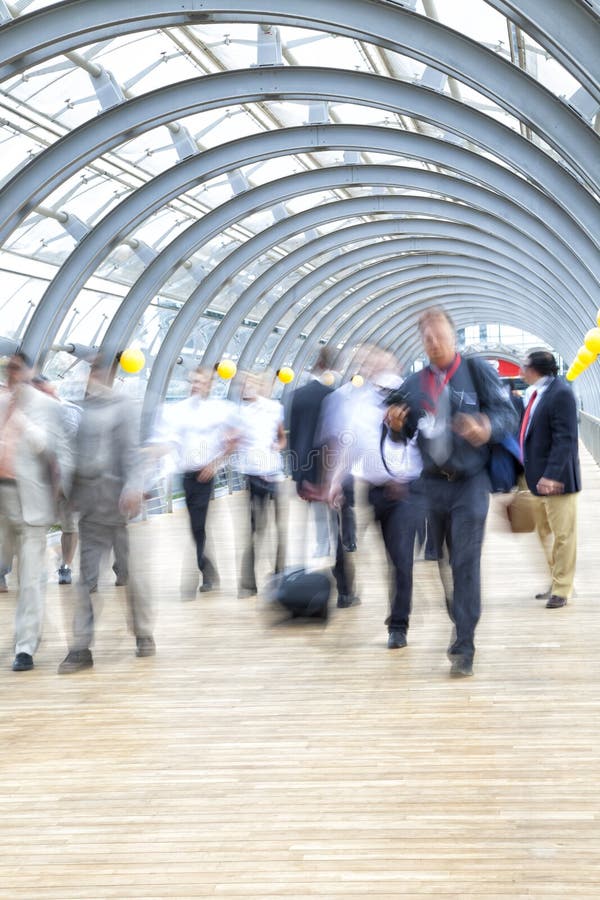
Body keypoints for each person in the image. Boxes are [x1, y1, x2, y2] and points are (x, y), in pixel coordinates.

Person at [396, 308, 517, 677]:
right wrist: (396, 425)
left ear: (453, 335)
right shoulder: (415, 384)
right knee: (443, 562)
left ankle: (464, 643)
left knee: (466, 561)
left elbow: (507, 415)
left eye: (440, 335)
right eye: (428, 338)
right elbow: (402, 431)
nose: (434, 343)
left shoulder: (476, 371)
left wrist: (486, 424)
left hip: (470, 481)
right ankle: (461, 613)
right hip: (431, 482)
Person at [57, 355, 155, 673]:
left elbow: (132, 454)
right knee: (86, 580)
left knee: (131, 575)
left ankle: (143, 633)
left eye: (97, 371)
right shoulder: (83, 409)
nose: (92, 376)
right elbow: (73, 453)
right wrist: (69, 495)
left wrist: (133, 488)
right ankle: (80, 647)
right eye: (90, 370)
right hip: (90, 507)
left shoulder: (123, 407)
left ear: (109, 374)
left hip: (119, 505)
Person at [0, 352, 72, 671]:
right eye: (7, 368)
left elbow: (48, 447)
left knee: (29, 576)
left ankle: (25, 647)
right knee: (8, 571)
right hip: (2, 499)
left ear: (28, 371)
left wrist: (20, 419)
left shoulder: (46, 407)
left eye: (16, 368)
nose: (10, 373)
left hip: (30, 500)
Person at [149, 365, 240, 595]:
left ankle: (203, 571)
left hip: (205, 475)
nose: (195, 386)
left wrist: (214, 464)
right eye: (193, 381)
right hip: (187, 475)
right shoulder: (179, 410)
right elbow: (168, 440)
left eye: (200, 382)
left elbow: (233, 441)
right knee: (195, 526)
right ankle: (207, 569)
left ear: (209, 385)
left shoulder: (219, 410)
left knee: (198, 524)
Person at [287, 347, 358, 608]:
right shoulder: (336, 397)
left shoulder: (298, 396)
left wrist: (298, 477)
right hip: (331, 473)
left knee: (310, 534)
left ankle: (308, 591)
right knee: (337, 532)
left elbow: (294, 442)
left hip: (307, 473)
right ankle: (345, 592)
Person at [520, 350, 581, 608]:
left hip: (557, 481)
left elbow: (565, 438)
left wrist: (552, 475)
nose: (521, 371)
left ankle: (562, 589)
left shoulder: (561, 393)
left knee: (563, 535)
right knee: (543, 532)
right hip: (535, 477)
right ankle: (557, 579)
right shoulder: (536, 394)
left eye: (524, 366)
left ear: (536, 369)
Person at [233, 371, 287, 597]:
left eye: (251, 382)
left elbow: (281, 437)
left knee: (280, 527)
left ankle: (279, 574)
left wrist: (278, 446)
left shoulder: (274, 408)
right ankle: (248, 584)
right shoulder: (239, 414)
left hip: (273, 473)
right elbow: (235, 442)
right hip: (253, 475)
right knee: (256, 529)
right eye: (243, 384)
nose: (247, 387)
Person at [32, 373, 82, 585]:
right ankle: (38, 567)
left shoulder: (69, 411)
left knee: (69, 525)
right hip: (40, 479)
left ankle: (66, 566)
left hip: (65, 479)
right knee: (34, 526)